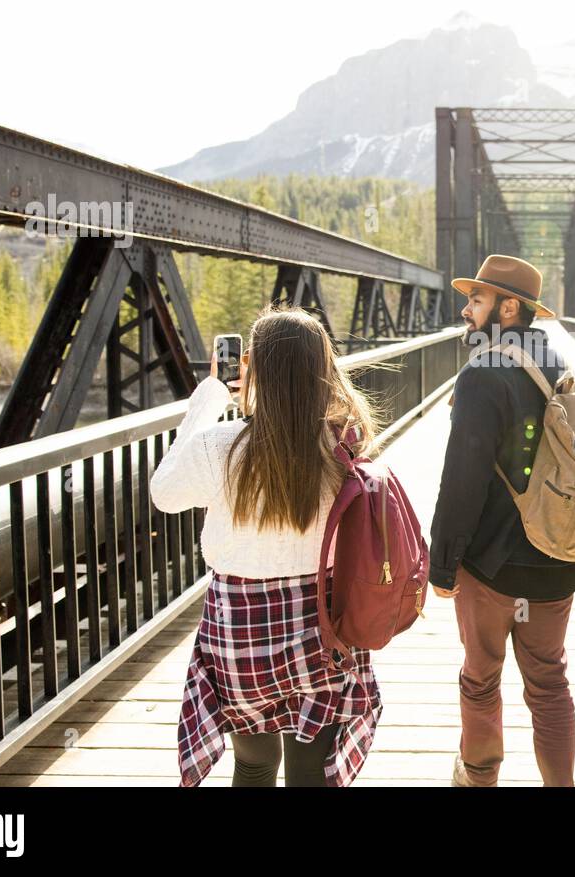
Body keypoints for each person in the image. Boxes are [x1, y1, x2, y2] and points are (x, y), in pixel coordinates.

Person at [152, 305, 383, 787]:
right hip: (322, 624)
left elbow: (165, 494)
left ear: (252, 366)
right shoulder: (342, 445)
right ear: (323, 368)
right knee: (308, 772)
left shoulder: (221, 445)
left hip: (240, 628)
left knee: (254, 766)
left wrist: (211, 397)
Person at [428, 254, 575, 787]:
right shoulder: (562, 363)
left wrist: (442, 564)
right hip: (555, 557)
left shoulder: (481, 373)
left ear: (509, 307)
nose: (466, 309)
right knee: (549, 685)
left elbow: (462, 479)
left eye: (477, 300)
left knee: (480, 680)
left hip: (490, 566)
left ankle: (478, 778)